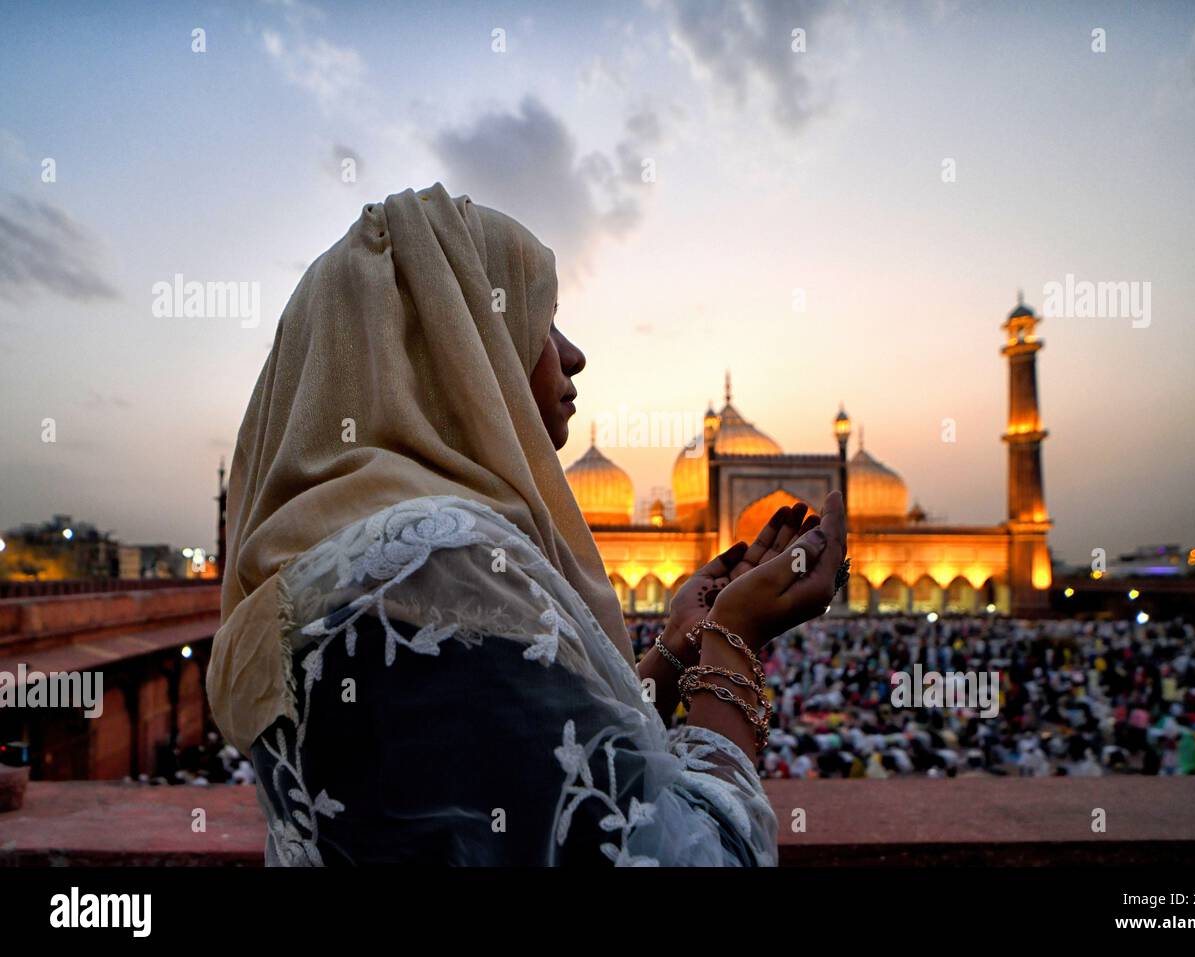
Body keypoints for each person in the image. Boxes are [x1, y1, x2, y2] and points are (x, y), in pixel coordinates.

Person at [207, 183, 847, 866]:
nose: (573, 355)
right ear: (455, 342)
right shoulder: (436, 559)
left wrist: (673, 650)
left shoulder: (341, 561)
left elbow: (537, 767)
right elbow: (697, 857)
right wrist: (732, 639)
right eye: (544, 318)